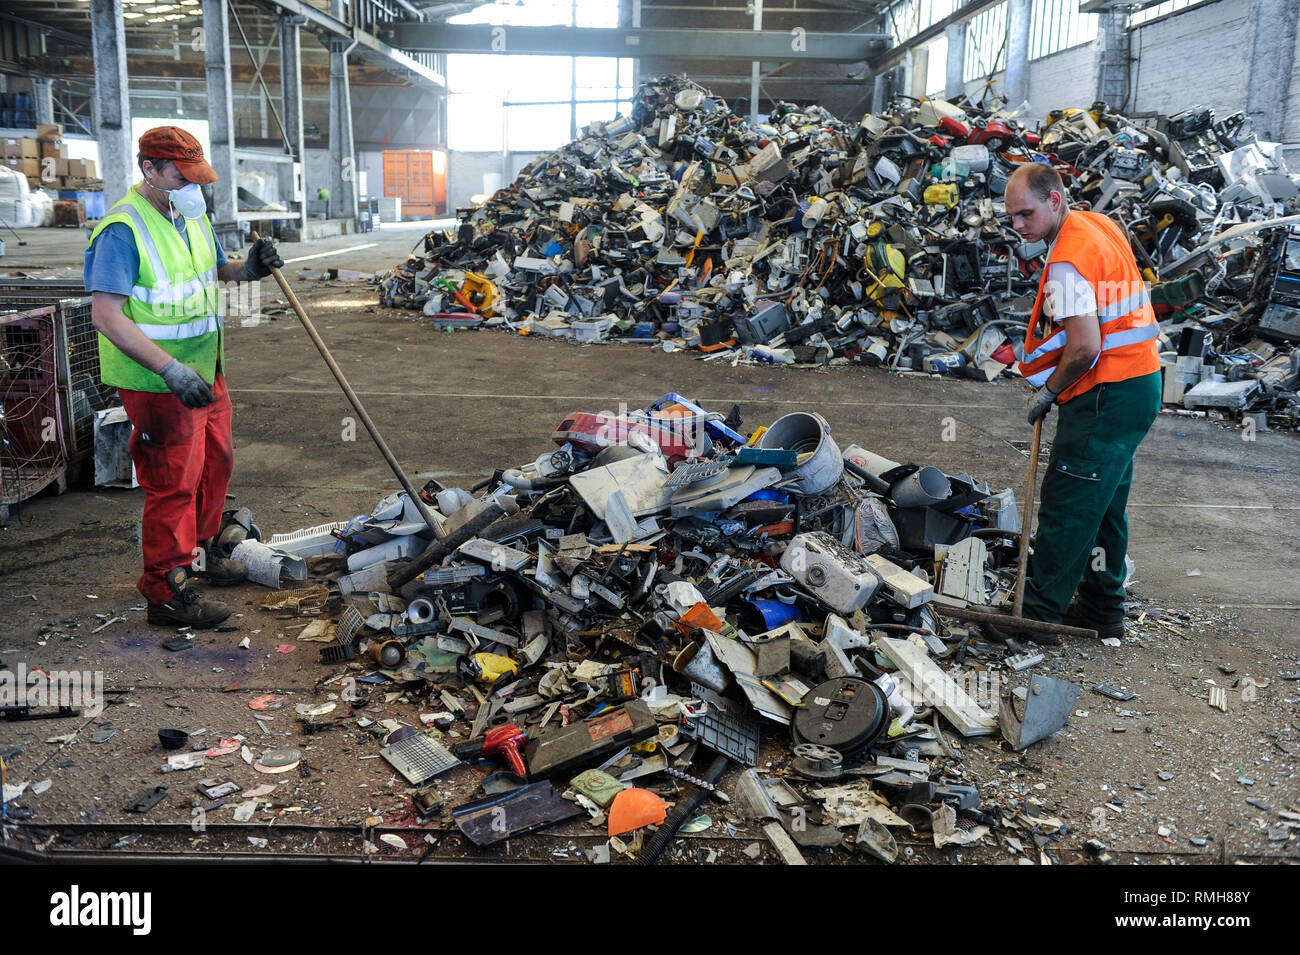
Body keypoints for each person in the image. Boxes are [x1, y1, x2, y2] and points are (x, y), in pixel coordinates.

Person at [85, 126, 284, 629]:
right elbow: (107, 317)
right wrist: (168, 368)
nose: (194, 186)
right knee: (172, 484)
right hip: (159, 381)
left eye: (198, 176)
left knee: (215, 464)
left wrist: (250, 271)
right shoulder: (121, 230)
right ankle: (165, 589)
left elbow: (218, 270)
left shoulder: (187, 214)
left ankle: (201, 555)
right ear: (148, 169)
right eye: (181, 176)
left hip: (204, 370)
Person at [1006, 162, 1162, 641]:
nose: (1018, 226)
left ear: (1054, 201)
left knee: (1070, 501)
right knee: (1105, 503)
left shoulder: (1067, 262)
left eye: (1026, 214)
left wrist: (1049, 392)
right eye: (1011, 216)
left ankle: (1037, 615)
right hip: (1140, 382)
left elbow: (1084, 346)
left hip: (1106, 391)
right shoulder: (1096, 223)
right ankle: (1101, 609)